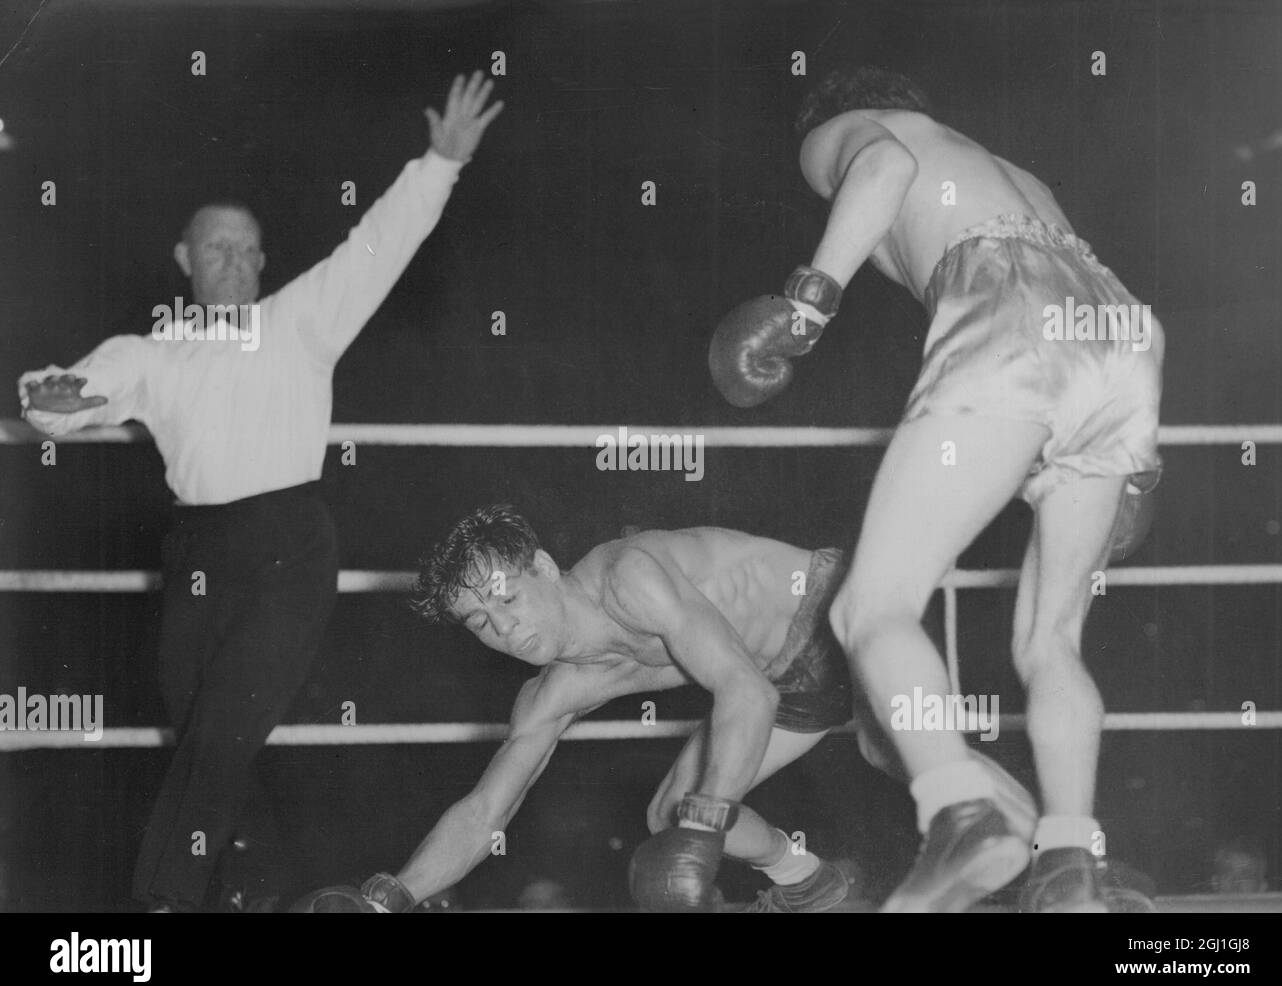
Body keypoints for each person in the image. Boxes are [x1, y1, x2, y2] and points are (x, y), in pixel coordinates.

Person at [17, 72, 503, 912]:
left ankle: (154, 912)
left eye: (248, 250)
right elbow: (76, 390)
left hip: (289, 551)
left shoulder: (299, 321)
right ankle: (247, 897)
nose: (235, 263)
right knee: (208, 751)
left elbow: (376, 245)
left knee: (219, 739)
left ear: (264, 261)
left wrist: (441, 163)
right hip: (197, 559)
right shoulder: (154, 351)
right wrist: (50, 399)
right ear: (185, 259)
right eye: (217, 249)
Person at [709, 64, 1164, 912]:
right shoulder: (1010, 172)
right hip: (1117, 332)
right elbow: (1079, 291)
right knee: (1050, 639)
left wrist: (806, 307)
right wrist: (1134, 461)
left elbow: (882, 172)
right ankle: (1068, 866)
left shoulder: (839, 138)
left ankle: (960, 811)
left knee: (866, 608)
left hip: (1010, 305)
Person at [291, 503, 1034, 913]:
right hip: (784, 685)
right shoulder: (553, 692)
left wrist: (710, 823)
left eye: (507, 598)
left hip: (835, 614)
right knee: (667, 819)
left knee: (897, 752)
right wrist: (388, 898)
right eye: (481, 623)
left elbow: (745, 691)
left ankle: (1051, 862)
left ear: (544, 568)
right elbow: (487, 811)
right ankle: (812, 883)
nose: (505, 625)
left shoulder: (628, 579)